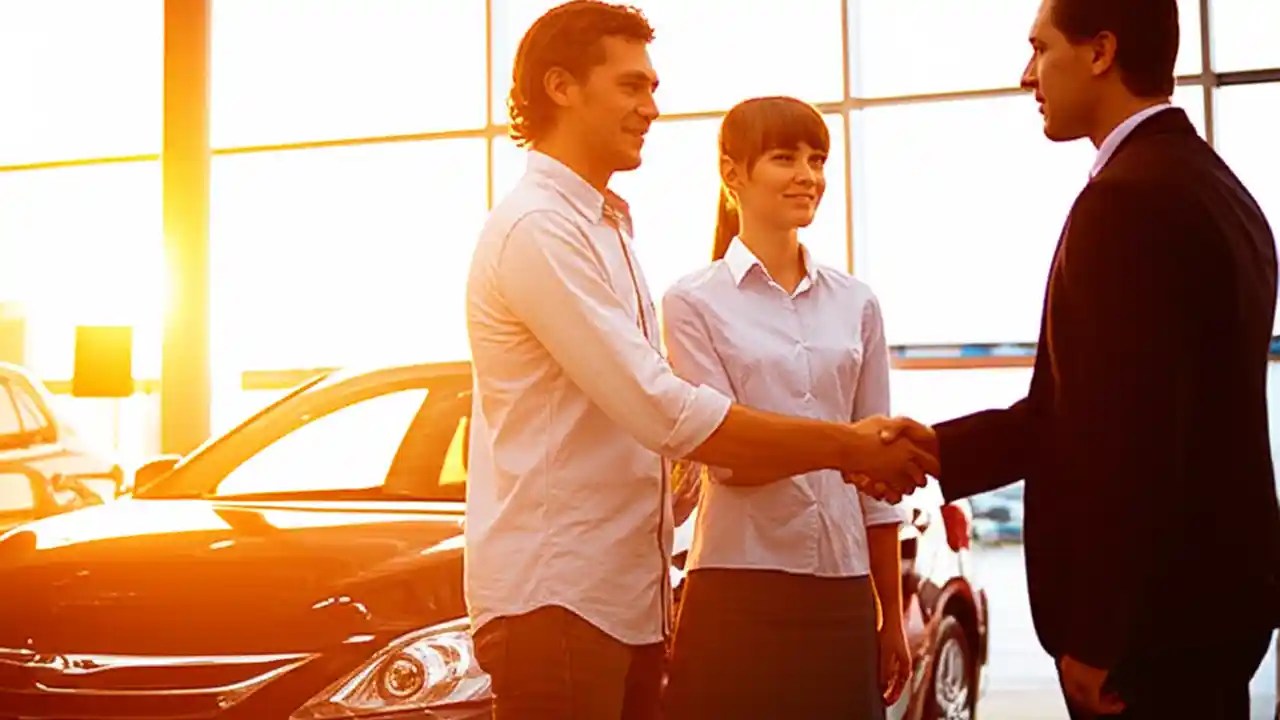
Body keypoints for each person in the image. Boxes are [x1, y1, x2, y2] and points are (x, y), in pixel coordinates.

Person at [464, 2, 937, 718]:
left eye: (651, 88)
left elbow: (643, 433)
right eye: (631, 86)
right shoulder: (539, 230)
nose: (650, 107)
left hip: (627, 599)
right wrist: (847, 444)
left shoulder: (607, 230)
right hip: (560, 600)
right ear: (561, 87)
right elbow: (661, 408)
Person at [881, 0, 1280, 717]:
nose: (1027, 74)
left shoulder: (1125, 204)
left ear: (1100, 52)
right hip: (1213, 615)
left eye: (1041, 49)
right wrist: (941, 448)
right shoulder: (1221, 190)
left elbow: (1128, 445)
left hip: (1146, 643)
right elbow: (1105, 404)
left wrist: (1100, 636)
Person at [658, 96, 912, 719]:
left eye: (817, 159)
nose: (808, 175)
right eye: (785, 158)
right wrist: (843, 447)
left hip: (845, 589)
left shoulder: (857, 303)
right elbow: (728, 457)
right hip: (738, 588)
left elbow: (876, 482)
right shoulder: (691, 303)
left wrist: (891, 614)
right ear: (732, 173)